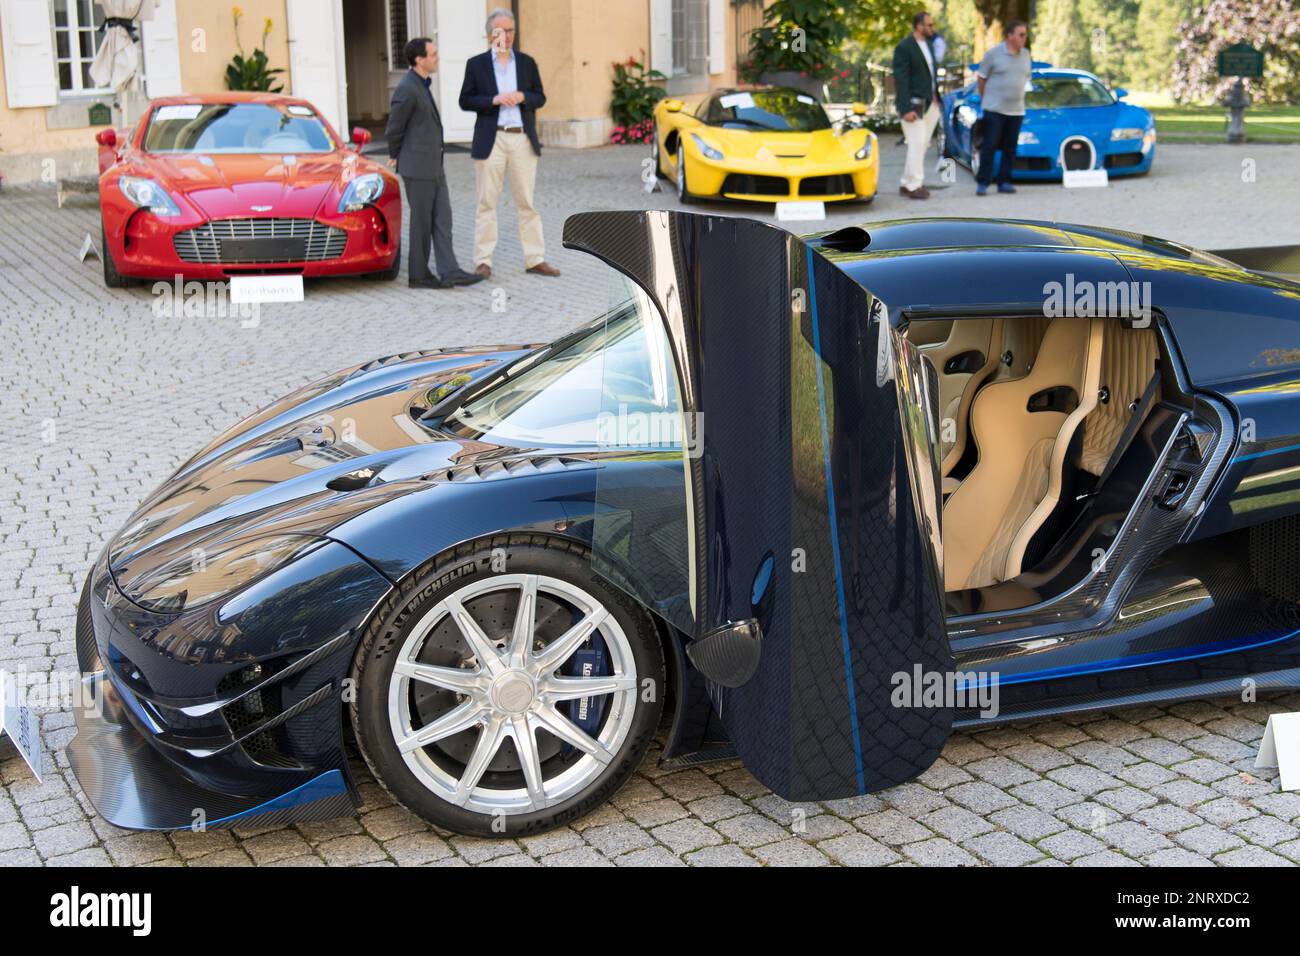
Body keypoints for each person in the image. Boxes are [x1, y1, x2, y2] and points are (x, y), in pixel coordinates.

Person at [459, 8, 559, 278]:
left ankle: (535, 258)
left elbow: (540, 97)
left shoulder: (527, 62)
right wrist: (492, 100)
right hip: (492, 138)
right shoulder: (476, 64)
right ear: (491, 34)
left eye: (511, 30)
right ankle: (483, 261)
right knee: (486, 202)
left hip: (522, 139)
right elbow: (465, 100)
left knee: (527, 201)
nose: (507, 35)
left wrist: (523, 96)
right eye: (501, 30)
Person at [386, 38, 483, 288]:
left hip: (433, 164)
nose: (437, 58)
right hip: (417, 167)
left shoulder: (421, 84)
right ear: (419, 59)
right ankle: (418, 275)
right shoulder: (407, 88)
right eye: (433, 54)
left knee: (443, 218)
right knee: (421, 221)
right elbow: (394, 127)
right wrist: (395, 153)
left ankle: (449, 271)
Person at [975, 19, 1032, 196]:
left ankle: (1004, 181)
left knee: (1010, 147)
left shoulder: (1026, 55)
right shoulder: (993, 54)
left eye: (1025, 34)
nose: (1024, 38)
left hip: (1016, 110)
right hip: (994, 109)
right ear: (1009, 36)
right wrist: (987, 100)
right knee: (989, 146)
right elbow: (981, 78)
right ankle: (983, 182)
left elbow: (1025, 79)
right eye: (1021, 34)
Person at [892, 11, 941, 200]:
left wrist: (936, 98)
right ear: (918, 26)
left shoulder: (928, 45)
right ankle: (914, 185)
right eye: (928, 25)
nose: (932, 28)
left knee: (921, 145)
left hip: (931, 103)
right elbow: (901, 78)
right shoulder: (904, 47)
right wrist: (905, 109)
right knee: (916, 143)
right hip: (913, 105)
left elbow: (930, 75)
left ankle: (906, 182)